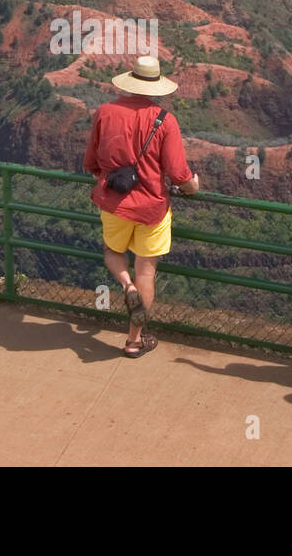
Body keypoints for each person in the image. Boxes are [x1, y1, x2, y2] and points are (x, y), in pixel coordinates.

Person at [84, 55, 199, 357]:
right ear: (157, 87)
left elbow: (91, 162)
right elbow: (178, 173)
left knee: (112, 252)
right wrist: (193, 186)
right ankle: (134, 341)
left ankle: (125, 285)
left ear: (130, 80)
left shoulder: (105, 112)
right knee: (145, 272)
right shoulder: (165, 120)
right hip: (152, 208)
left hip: (113, 203)